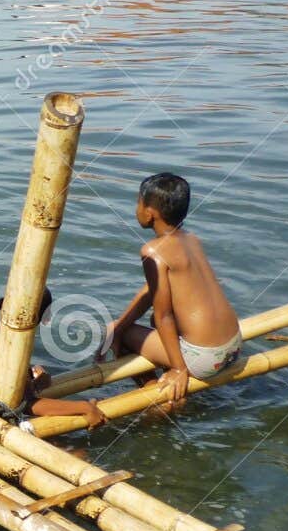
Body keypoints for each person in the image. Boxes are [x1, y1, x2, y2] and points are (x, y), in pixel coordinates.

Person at [100, 172, 241, 406]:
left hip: (205, 359)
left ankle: (162, 399)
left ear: (150, 213)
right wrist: (119, 325)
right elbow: (150, 292)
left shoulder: (152, 251)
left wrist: (179, 369)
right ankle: (171, 375)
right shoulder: (192, 240)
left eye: (138, 202)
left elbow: (163, 314)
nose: (136, 208)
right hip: (234, 346)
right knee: (122, 329)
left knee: (126, 335)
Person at [0, 289, 106, 427]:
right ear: (47, 318)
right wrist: (84, 407)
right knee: (78, 452)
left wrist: (30, 380)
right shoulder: (13, 345)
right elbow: (25, 405)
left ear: (2, 305)